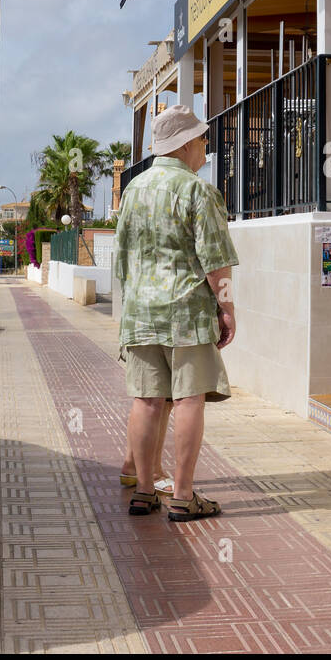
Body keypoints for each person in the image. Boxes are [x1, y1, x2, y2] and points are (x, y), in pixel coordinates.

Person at [113, 105, 238, 520]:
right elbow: (215, 259)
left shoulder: (133, 189)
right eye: (202, 138)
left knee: (146, 401)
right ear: (185, 143)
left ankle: (144, 491)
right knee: (188, 400)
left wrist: (133, 303)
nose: (206, 145)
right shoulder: (197, 191)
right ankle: (183, 496)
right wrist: (227, 308)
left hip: (140, 313)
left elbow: (122, 260)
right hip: (186, 313)